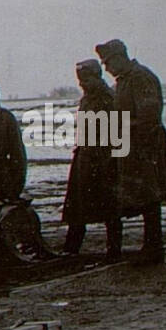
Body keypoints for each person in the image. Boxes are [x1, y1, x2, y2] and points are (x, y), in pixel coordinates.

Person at [95, 39, 166, 265]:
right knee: (144, 197)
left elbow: (149, 117)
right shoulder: (124, 81)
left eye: (107, 62)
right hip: (133, 146)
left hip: (146, 146)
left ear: (119, 57)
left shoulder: (140, 77)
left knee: (150, 197)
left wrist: (124, 128)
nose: (105, 68)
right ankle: (150, 246)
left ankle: (154, 249)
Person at [60, 59, 122, 258]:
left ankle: (114, 251)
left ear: (96, 77)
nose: (81, 84)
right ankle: (71, 249)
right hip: (85, 158)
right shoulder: (87, 99)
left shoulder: (109, 98)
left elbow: (119, 133)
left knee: (110, 208)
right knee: (77, 208)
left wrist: (111, 159)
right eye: (80, 79)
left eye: (86, 79)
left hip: (104, 159)